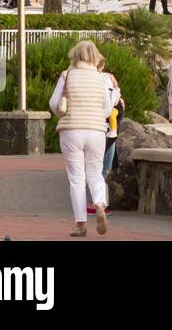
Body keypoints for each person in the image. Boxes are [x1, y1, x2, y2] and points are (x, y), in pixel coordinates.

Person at [48, 40, 119, 237]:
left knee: (76, 178)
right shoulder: (101, 78)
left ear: (75, 55)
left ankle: (80, 224)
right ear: (95, 57)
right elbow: (106, 109)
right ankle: (99, 203)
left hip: (71, 130)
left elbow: (54, 103)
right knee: (95, 173)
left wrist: (62, 111)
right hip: (96, 131)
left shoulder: (67, 75)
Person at [98, 55, 124, 180]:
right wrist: (117, 91)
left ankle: (105, 174)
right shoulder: (105, 78)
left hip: (100, 119)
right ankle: (105, 175)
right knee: (110, 138)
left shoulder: (105, 77)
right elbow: (110, 102)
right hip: (103, 117)